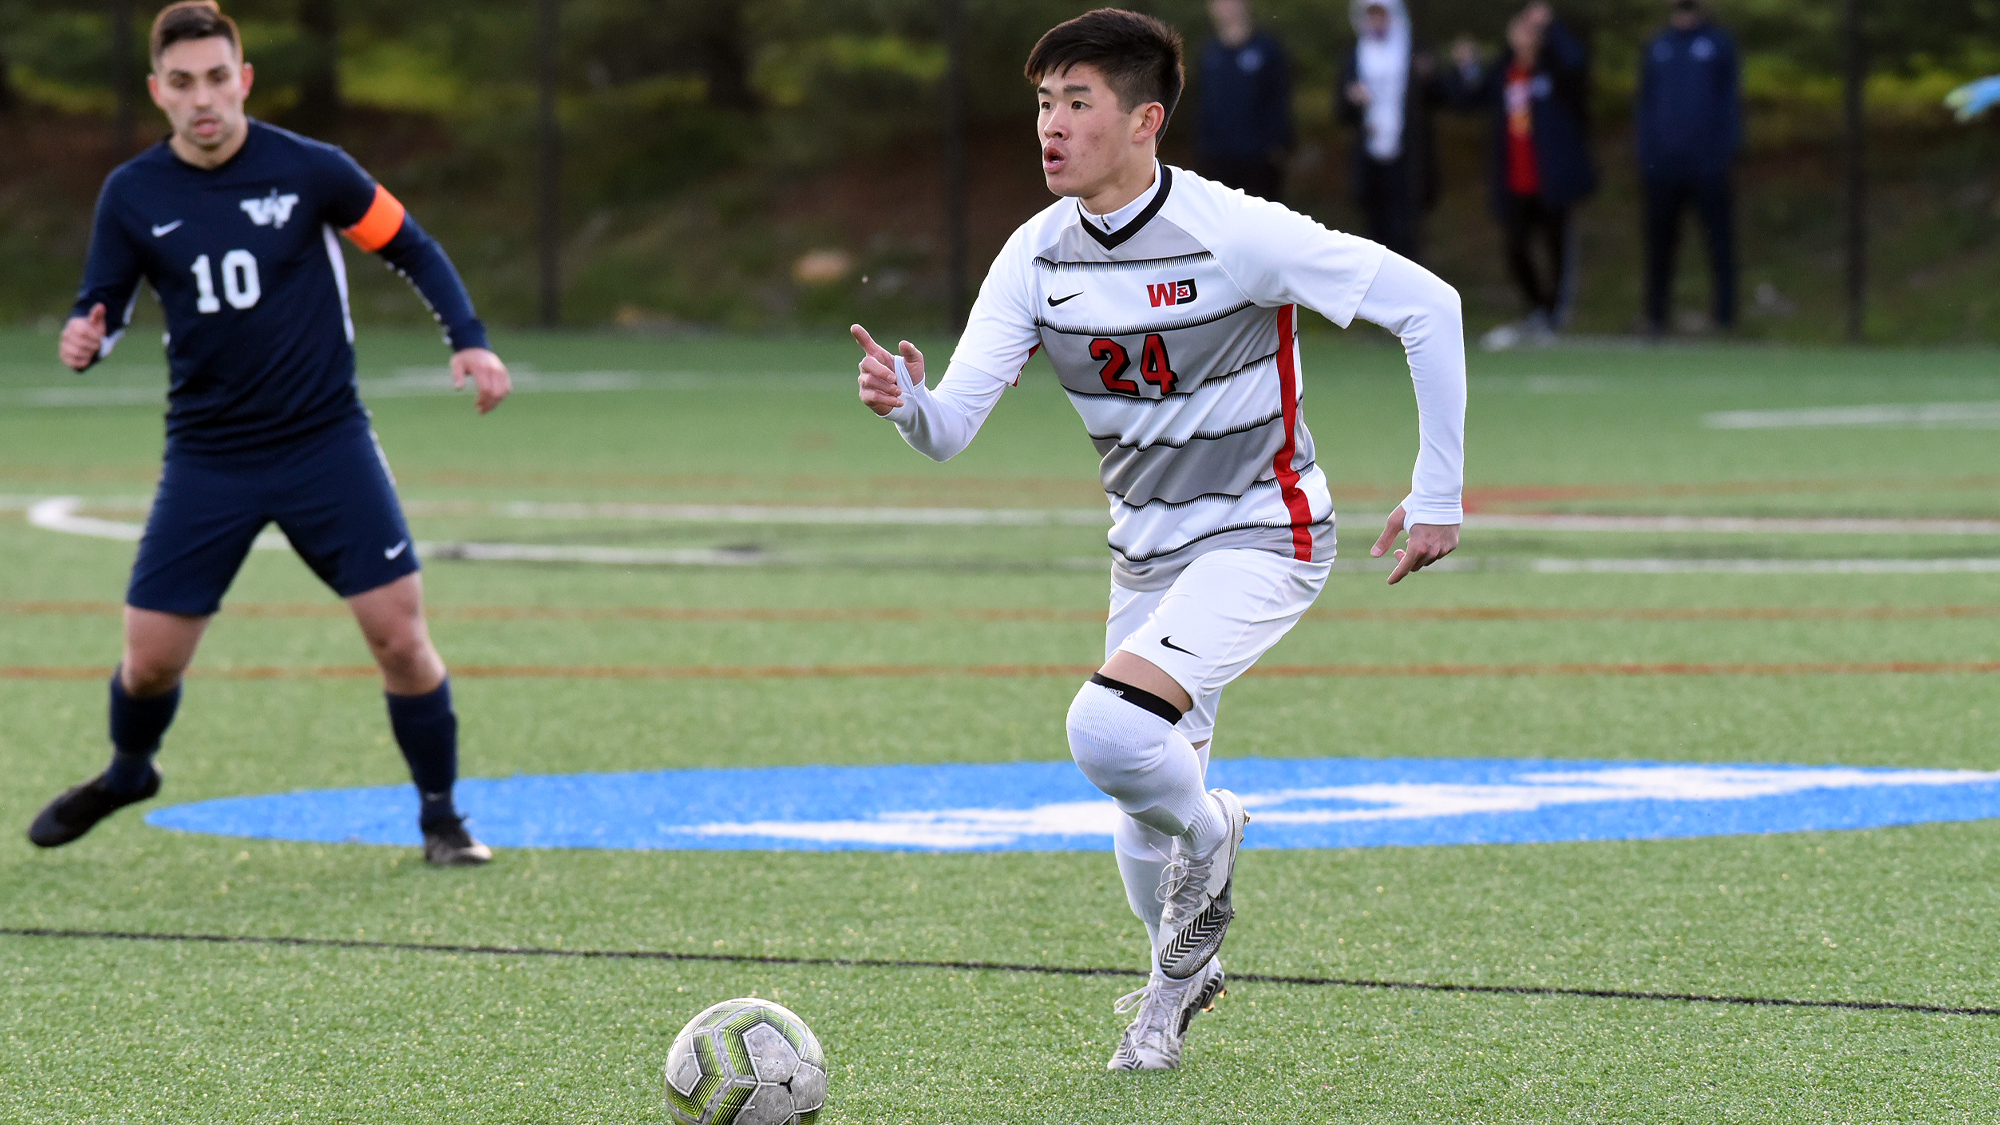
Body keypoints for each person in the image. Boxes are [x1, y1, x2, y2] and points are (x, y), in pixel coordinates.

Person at [849, 8, 1466, 1072]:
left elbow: (1431, 307)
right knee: (1138, 814)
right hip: (1144, 554)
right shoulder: (1034, 255)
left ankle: (1215, 828)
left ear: (1145, 122)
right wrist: (909, 404)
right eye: (1043, 103)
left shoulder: (1234, 230)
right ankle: (1171, 994)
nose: (1050, 125)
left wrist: (1438, 492)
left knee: (1107, 730)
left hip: (1263, 534)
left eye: (1076, 102)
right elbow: (951, 429)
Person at [26, 1, 510, 866]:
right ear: (158, 92)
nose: (203, 98)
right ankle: (130, 770)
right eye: (182, 83)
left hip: (325, 443)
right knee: (149, 662)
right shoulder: (133, 193)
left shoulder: (311, 170)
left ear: (244, 80)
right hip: (208, 455)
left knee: (400, 636)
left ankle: (441, 818)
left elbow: (410, 245)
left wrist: (468, 338)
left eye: (217, 77)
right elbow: (103, 302)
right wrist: (84, 337)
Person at [1448, 2, 1596, 342]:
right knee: (1516, 248)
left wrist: (1552, 26)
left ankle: (1555, 317)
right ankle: (1538, 309)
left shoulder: (1555, 70)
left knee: (1557, 249)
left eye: (1533, 32)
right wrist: (1464, 66)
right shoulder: (1502, 72)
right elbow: (1467, 99)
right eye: (1521, 29)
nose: (1526, 37)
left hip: (1551, 180)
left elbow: (1576, 64)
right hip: (1514, 181)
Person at [1637, 0, 1741, 335]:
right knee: (1660, 244)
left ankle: (1724, 318)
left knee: (1719, 241)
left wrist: (1723, 152)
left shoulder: (1717, 44)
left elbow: (1730, 102)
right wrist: (1647, 153)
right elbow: (1646, 103)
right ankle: (1656, 317)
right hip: (1663, 166)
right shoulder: (1659, 45)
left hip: (1706, 164)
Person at [1338, 0, 1444, 259]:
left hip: (1407, 157)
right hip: (1370, 155)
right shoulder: (1355, 54)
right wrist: (1352, 98)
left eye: (1381, 14)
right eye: (1371, 15)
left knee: (1405, 228)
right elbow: (1341, 111)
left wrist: (1428, 76)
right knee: (1374, 228)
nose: (1376, 21)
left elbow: (1438, 96)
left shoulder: (1412, 52)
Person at [1194, 0, 1292, 200]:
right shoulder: (1209, 52)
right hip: (1216, 155)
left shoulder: (1266, 48)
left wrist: (1277, 144)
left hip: (1257, 157)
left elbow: (1279, 98)